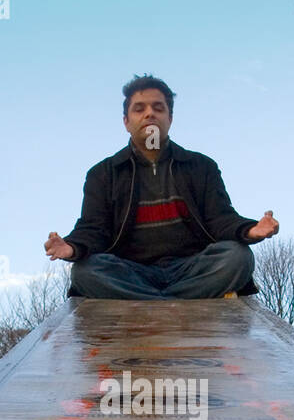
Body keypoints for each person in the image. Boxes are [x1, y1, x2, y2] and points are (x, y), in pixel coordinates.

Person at [44, 74, 279, 300]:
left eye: (158, 108)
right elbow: (93, 229)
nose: (149, 114)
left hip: (191, 268)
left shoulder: (201, 166)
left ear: (170, 118)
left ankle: (150, 302)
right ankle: (178, 302)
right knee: (86, 271)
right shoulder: (103, 174)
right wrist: (72, 247)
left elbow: (221, 219)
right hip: (131, 272)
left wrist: (250, 230)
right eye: (139, 109)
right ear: (126, 122)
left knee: (238, 257)